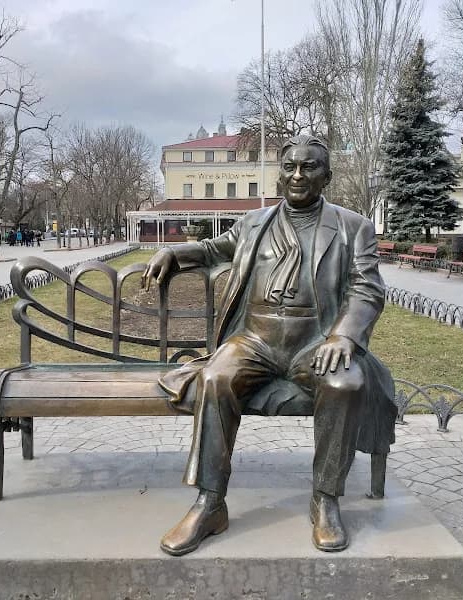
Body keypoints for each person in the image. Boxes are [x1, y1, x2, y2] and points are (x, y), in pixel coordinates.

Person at [142, 135, 396, 556]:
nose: (297, 175)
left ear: (327, 176)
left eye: (309, 167)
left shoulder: (352, 227)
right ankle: (210, 503)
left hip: (314, 342)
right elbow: (213, 249)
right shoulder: (253, 223)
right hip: (255, 339)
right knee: (215, 378)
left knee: (345, 384)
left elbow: (367, 288)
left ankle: (325, 499)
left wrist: (343, 336)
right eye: (290, 167)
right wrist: (174, 251)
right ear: (280, 174)